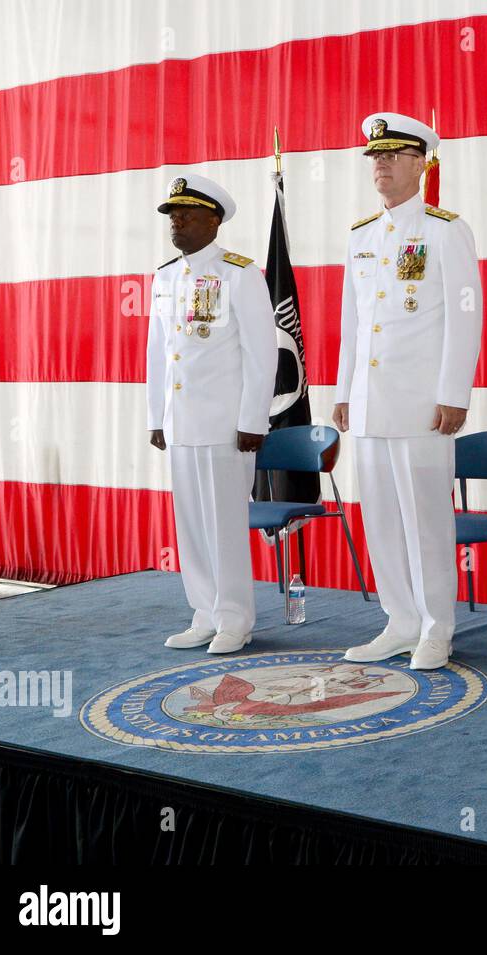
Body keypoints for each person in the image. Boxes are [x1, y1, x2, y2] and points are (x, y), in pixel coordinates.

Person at [333, 112, 483, 670]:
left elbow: (465, 317)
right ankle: (399, 620)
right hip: (371, 402)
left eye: (394, 155)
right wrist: (346, 388)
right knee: (380, 517)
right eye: (376, 156)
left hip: (423, 403)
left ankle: (436, 627)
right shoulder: (360, 236)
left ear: (422, 164)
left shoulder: (445, 230)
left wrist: (454, 392)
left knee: (425, 519)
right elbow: (353, 321)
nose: (382, 165)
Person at [147, 174, 277, 654]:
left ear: (213, 219)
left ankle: (235, 619)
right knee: (192, 526)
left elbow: (262, 354)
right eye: (172, 214)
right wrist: (157, 416)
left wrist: (252, 420)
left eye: (185, 213)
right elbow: (159, 352)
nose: (175, 221)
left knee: (223, 524)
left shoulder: (239, 274)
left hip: (226, 426)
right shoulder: (165, 276)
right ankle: (204, 611)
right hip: (182, 422)